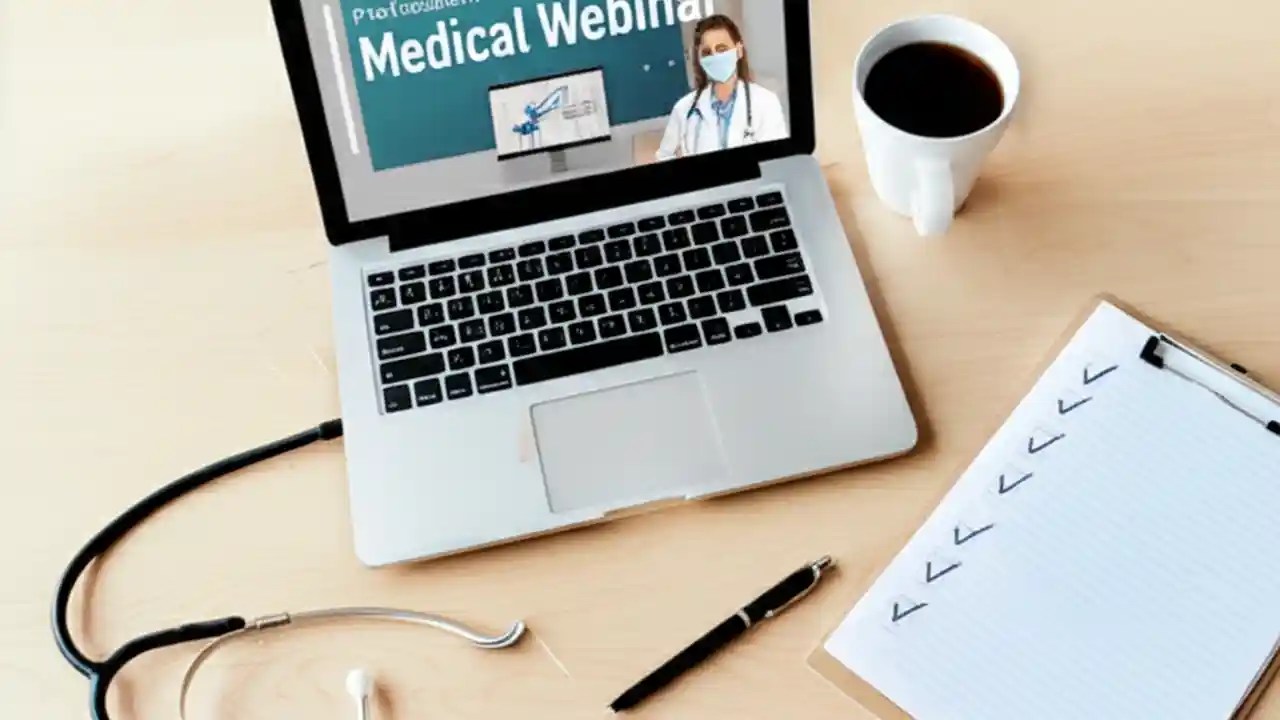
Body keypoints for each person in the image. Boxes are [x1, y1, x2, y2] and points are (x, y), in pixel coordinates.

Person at [656, 14, 789, 161]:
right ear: (700, 59)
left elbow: (779, 162)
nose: (715, 57)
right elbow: (663, 157)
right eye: (707, 52)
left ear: (738, 50)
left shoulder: (766, 103)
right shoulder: (684, 109)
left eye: (722, 49)